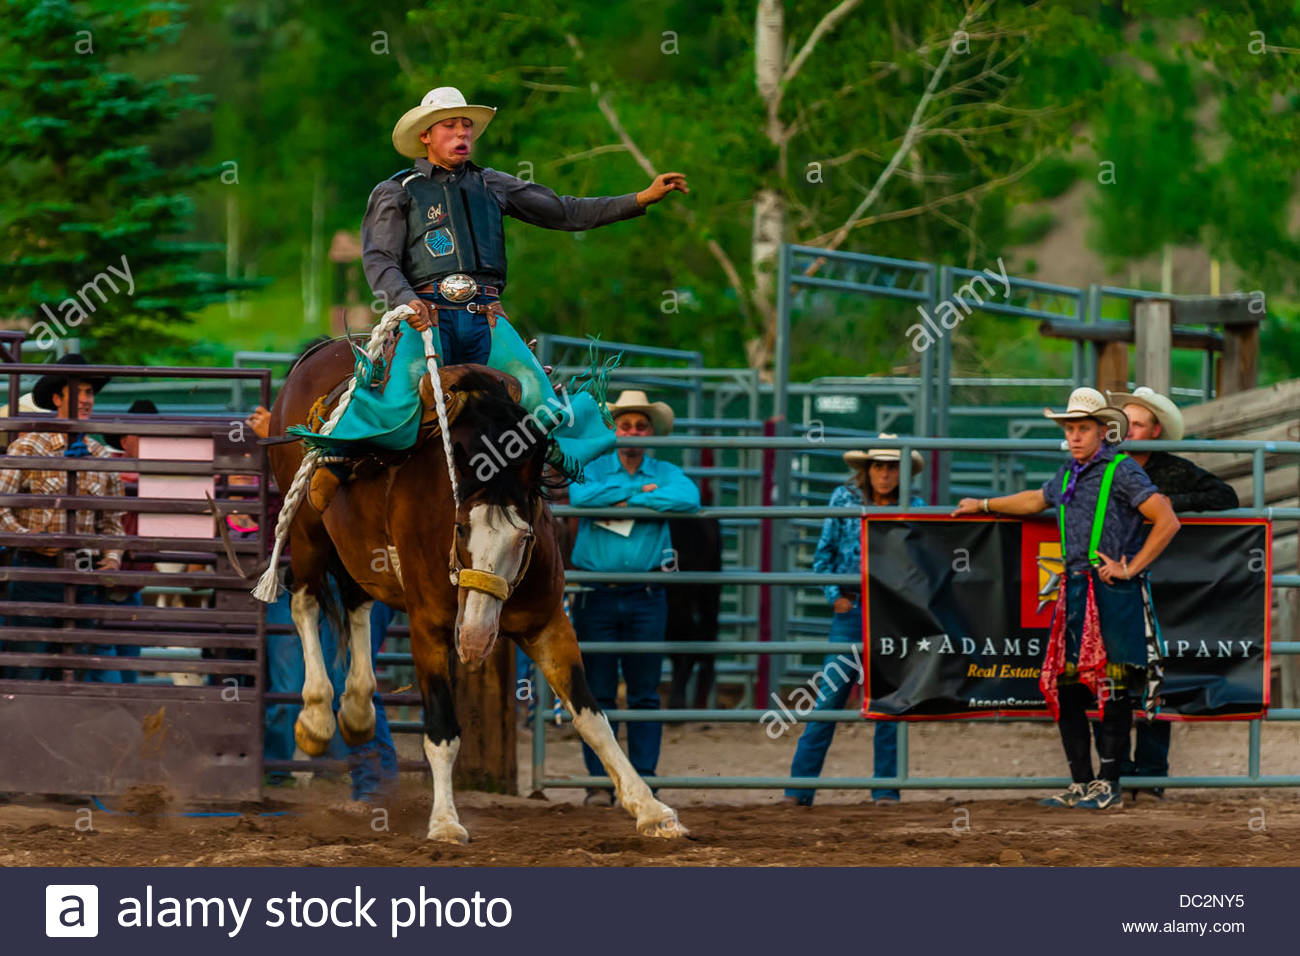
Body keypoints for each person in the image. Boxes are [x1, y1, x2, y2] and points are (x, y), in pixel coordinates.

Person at [297, 85, 689, 503]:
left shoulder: (494, 184)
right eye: (450, 125)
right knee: (397, 403)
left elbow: (566, 210)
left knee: (542, 403)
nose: (462, 132)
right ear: (426, 136)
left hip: (485, 315)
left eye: (467, 125)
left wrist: (639, 198)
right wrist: (405, 299)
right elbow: (379, 258)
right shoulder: (397, 190)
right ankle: (335, 463)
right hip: (426, 315)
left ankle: (527, 485)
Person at [953, 387, 1181, 810]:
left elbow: (1167, 520)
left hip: (1110, 590)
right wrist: (984, 503)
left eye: (1082, 429)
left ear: (1102, 432)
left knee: (1111, 684)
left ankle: (1108, 784)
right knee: (1068, 685)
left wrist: (1130, 567)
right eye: (1070, 429)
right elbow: (1035, 500)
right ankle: (1082, 783)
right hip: (1076, 590)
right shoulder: (1068, 474)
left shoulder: (1122, 471)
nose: (1074, 436)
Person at [569, 390, 700, 806]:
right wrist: (643, 495)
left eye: (639, 426)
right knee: (598, 692)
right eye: (625, 425)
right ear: (615, 429)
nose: (631, 432)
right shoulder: (593, 466)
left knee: (644, 692)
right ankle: (602, 781)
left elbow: (689, 498)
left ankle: (643, 778)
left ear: (649, 432)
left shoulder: (664, 470)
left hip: (645, 594)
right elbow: (578, 497)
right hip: (597, 593)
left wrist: (632, 497)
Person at [782, 435, 926, 808]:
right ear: (868, 470)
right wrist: (837, 598)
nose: (885, 473)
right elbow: (823, 556)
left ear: (902, 472)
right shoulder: (843, 500)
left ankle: (885, 790)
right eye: (879, 466)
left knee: (888, 703)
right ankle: (799, 790)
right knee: (828, 702)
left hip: (892, 616)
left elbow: (924, 568)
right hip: (856, 611)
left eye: (893, 467)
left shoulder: (916, 507)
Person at [1109, 386, 1237, 799]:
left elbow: (1224, 495)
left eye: (1138, 424)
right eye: (1123, 423)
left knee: (1152, 674)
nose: (1129, 431)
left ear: (1155, 430)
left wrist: (1169, 502)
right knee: (1108, 672)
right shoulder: (1101, 465)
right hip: (1112, 578)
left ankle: (1148, 775)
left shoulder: (1170, 468)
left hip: (1160, 583)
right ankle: (1113, 772)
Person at [0, 354, 124, 680]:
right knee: (26, 668)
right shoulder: (28, 447)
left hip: (84, 573)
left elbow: (112, 523)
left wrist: (111, 558)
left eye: (90, 393)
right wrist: (30, 538)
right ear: (57, 398)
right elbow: (2, 507)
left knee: (76, 668)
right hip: (34, 570)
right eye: (78, 391)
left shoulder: (101, 456)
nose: (86, 400)